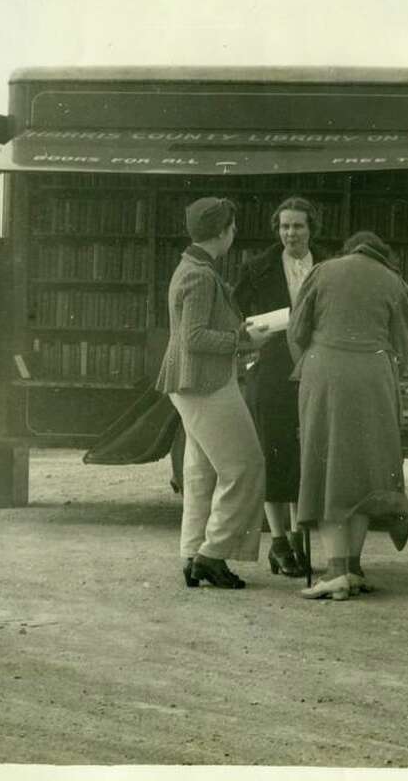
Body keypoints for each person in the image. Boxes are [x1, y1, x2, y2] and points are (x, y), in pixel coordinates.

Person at [289, 230, 408, 600]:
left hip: (324, 372)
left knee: (325, 466)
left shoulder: (323, 271)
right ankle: (354, 568)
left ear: (349, 250)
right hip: (374, 377)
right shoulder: (395, 282)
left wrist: (314, 359)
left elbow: (297, 330)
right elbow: (404, 349)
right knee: (363, 470)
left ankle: (335, 570)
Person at [156, 197, 270, 590]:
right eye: (232, 228)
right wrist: (241, 338)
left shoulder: (192, 267)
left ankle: (192, 556)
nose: (233, 234)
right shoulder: (201, 275)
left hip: (192, 382)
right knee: (246, 468)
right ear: (223, 232)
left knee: (201, 473)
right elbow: (194, 337)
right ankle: (212, 555)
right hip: (204, 382)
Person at [233, 196, 328, 578]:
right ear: (278, 230)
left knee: (307, 454)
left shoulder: (330, 265)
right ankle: (280, 542)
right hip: (271, 370)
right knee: (275, 451)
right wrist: (251, 334)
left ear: (311, 229)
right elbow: (234, 313)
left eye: (298, 226)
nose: (291, 233)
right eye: (285, 226)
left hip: (316, 367)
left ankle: (301, 537)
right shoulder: (257, 268)